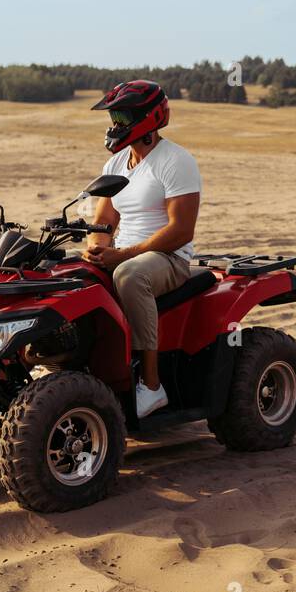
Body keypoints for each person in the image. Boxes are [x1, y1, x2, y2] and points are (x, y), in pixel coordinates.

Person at [83, 80, 201, 418]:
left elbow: (181, 230)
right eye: (114, 117)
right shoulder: (116, 165)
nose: (115, 124)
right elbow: (104, 221)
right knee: (69, 276)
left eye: (123, 116)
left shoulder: (176, 161)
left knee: (130, 275)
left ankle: (151, 385)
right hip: (124, 254)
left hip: (168, 259)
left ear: (148, 119)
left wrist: (122, 256)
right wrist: (97, 248)